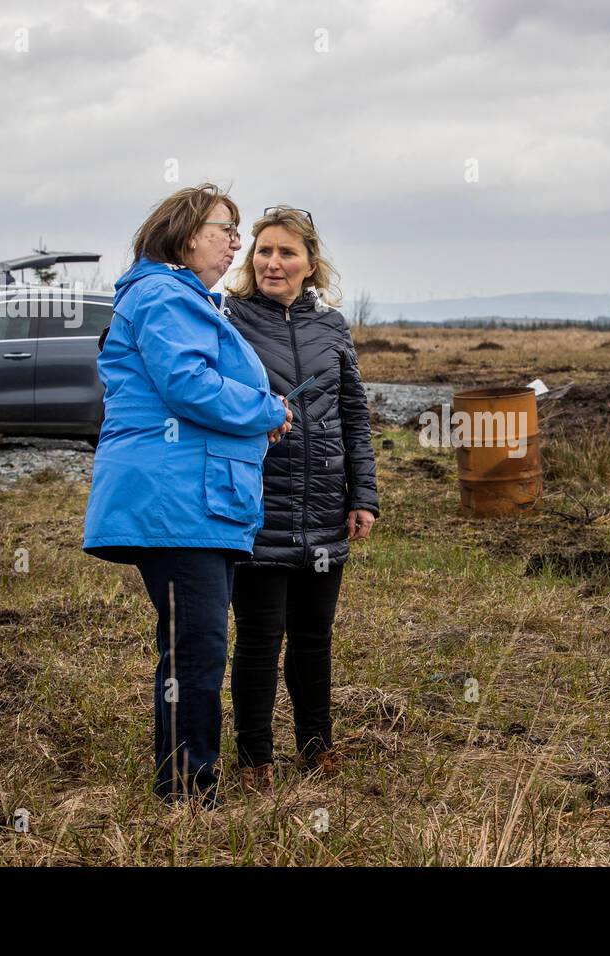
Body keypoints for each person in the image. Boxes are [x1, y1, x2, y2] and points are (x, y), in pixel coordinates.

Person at [83, 184, 292, 809]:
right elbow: (188, 384)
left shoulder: (179, 297)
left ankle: (188, 780)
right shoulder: (165, 296)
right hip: (175, 502)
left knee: (195, 647)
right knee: (196, 651)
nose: (238, 243)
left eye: (237, 231)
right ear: (182, 234)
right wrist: (263, 409)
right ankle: (187, 792)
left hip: (193, 500)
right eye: (225, 229)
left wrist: (258, 413)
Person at [224, 205, 379, 792]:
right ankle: (255, 757)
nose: (273, 262)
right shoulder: (230, 320)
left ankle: (317, 746)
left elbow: (354, 418)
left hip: (323, 512)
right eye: (263, 251)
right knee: (260, 637)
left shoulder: (331, 327)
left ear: (311, 264)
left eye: (287, 252)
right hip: (257, 506)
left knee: (314, 636)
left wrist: (362, 494)